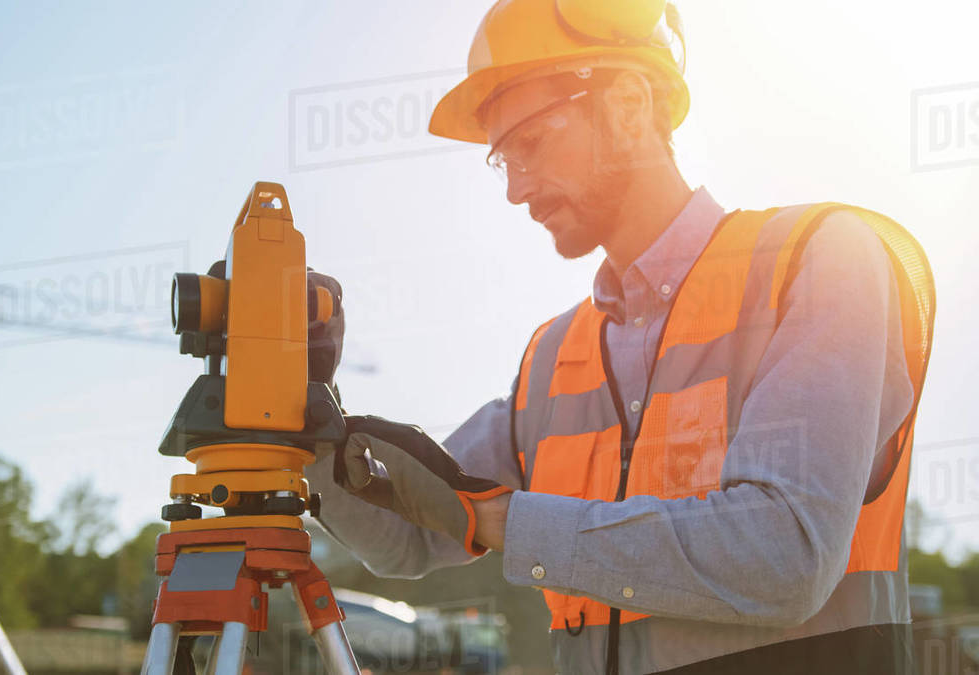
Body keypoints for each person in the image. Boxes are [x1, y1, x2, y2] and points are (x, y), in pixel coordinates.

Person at [305, 0, 935, 673]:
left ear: (630, 106)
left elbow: (786, 554)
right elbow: (406, 536)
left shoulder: (817, 262)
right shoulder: (553, 361)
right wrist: (301, 419)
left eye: (532, 141)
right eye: (502, 159)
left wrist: (497, 520)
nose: (515, 188)